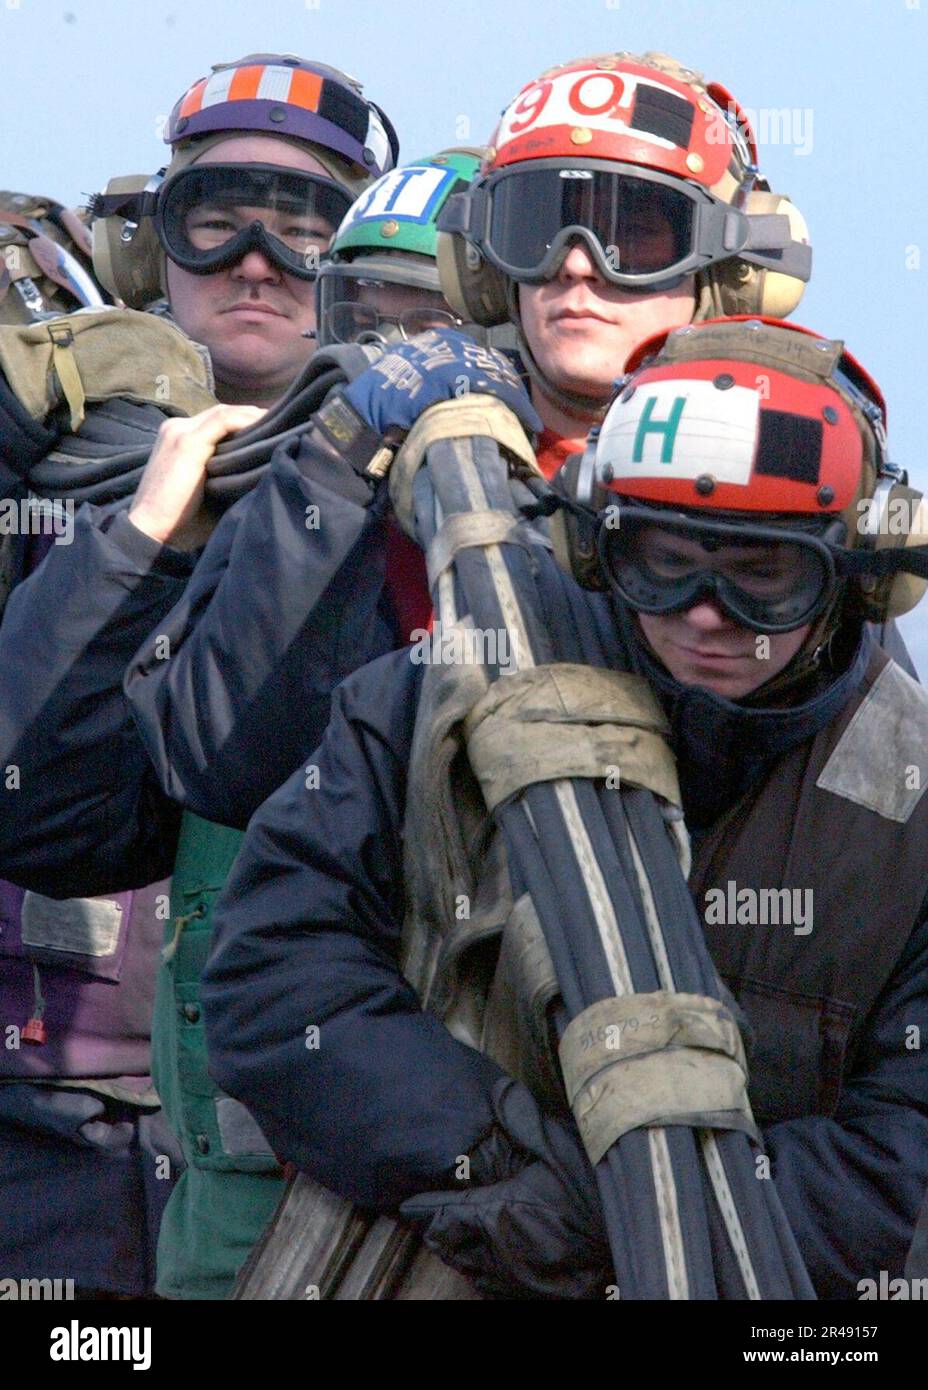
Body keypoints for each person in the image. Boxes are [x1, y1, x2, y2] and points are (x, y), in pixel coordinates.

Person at [0, 51, 809, 1295]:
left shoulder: (797, 506)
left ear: (724, 264)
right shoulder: (332, 485)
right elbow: (187, 817)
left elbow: (851, 930)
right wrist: (207, 514)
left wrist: (669, 1199)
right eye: (546, 225)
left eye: (636, 227)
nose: (580, 268)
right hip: (297, 1214)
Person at [201, 316, 928, 1300]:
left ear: (861, 578)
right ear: (595, 547)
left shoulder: (910, 797)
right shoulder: (434, 696)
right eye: (664, 561)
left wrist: (626, 1217)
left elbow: (897, 1156)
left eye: (763, 573)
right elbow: (272, 980)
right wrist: (499, 1162)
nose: (707, 614)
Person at [0, 51, 397, 1299]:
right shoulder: (39, 445)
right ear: (148, 250)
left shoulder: (430, 481)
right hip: (42, 1117)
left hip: (291, 1154)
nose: (259, 264)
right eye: (215, 221)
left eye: (306, 226)